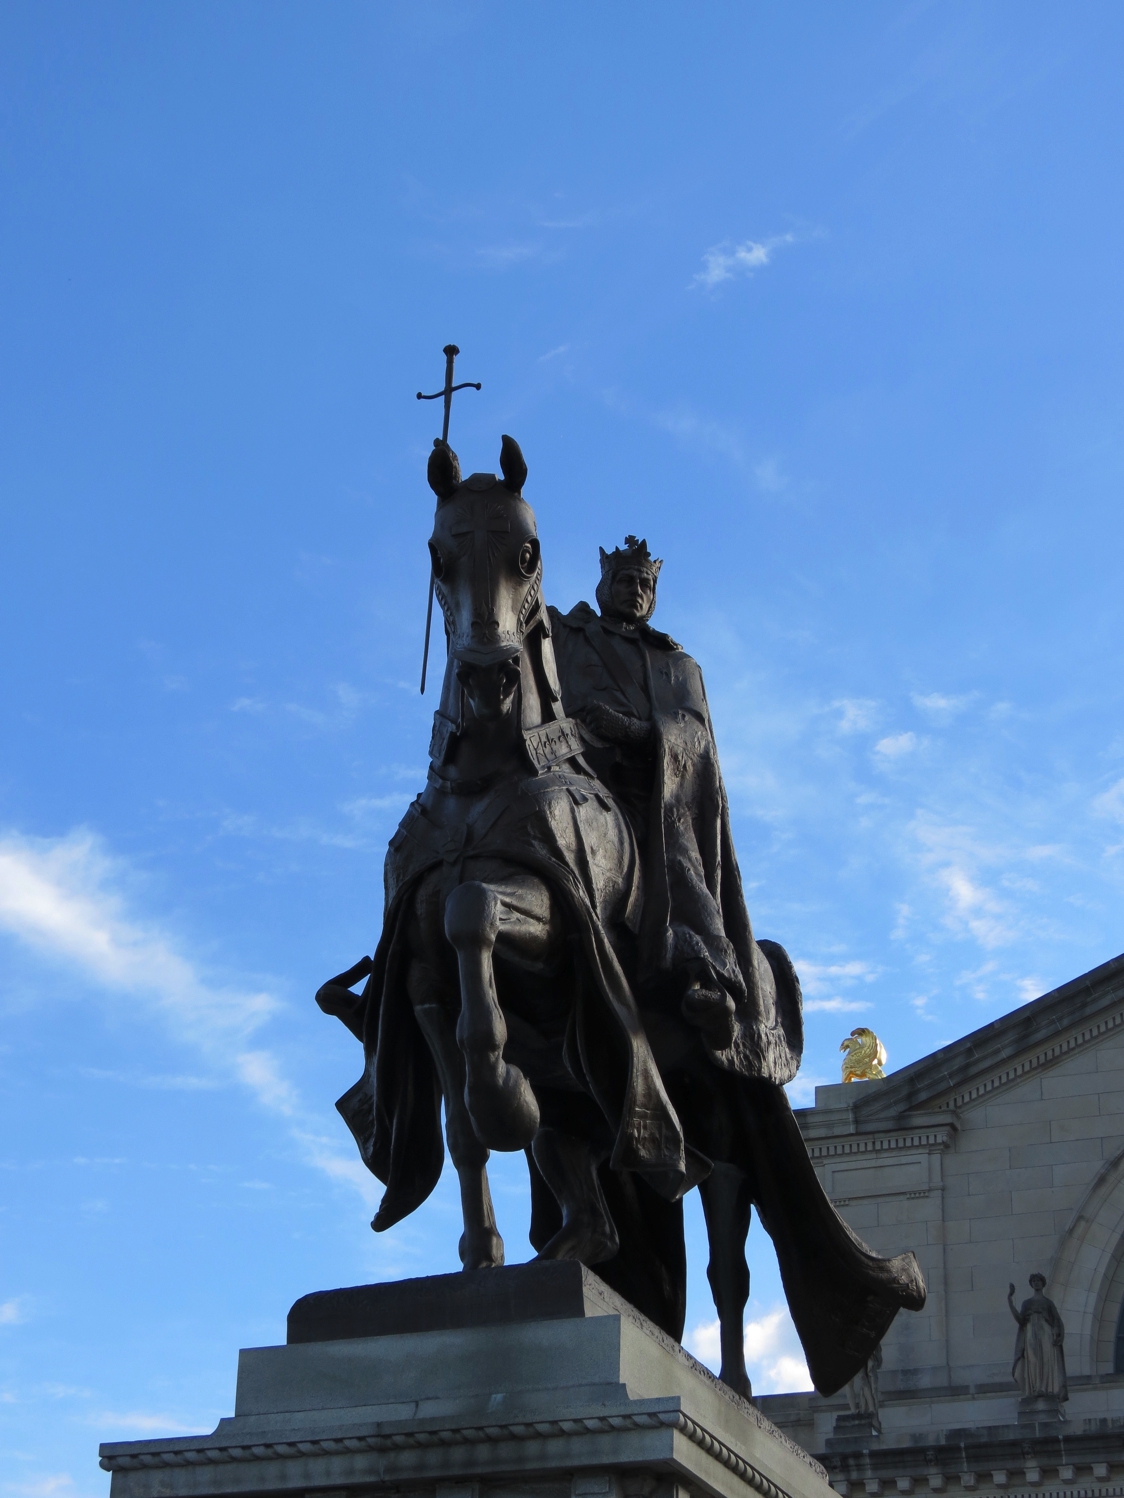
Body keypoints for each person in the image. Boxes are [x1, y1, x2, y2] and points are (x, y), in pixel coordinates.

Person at [1008, 1274, 1068, 1402]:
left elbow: (1057, 1320)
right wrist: (1010, 1301)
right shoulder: (1027, 1303)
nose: (1036, 1283)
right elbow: (1020, 1320)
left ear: (1043, 1283)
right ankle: (1034, 1388)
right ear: (1031, 1284)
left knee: (1046, 1360)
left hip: (1045, 1333)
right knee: (1033, 1360)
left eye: (1038, 1281)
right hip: (1030, 1333)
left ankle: (1045, 1388)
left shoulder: (1048, 1303)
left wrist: (1059, 1334)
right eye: (1034, 1281)